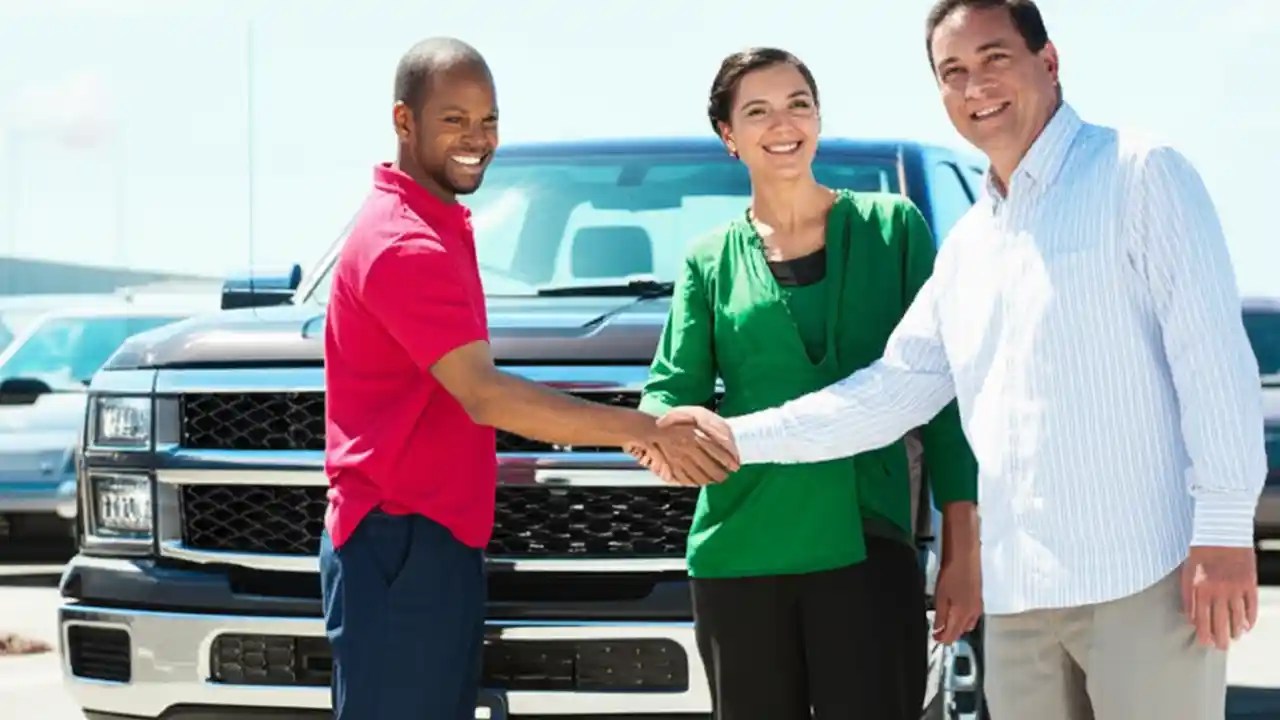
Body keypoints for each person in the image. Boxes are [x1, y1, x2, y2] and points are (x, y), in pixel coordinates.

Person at [645, 2, 1268, 719]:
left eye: (995, 59)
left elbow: (1213, 360)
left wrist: (1223, 531)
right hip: (1021, 605)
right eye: (954, 72)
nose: (976, 86)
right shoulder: (972, 243)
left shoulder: (1140, 173)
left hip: (1145, 578)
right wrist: (734, 436)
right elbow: (890, 393)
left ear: (1050, 62)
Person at [319, 37, 736, 720]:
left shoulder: (433, 222)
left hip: (422, 539)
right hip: (401, 542)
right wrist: (646, 429)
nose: (477, 139)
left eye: (488, 120)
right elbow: (484, 395)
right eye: (453, 119)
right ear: (404, 121)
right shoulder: (406, 243)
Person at [630, 47, 982, 720]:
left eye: (798, 104)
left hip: (869, 543)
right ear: (729, 137)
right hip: (741, 549)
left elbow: (945, 401)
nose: (783, 123)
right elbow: (672, 388)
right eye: (757, 111)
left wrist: (962, 549)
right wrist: (662, 428)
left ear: (818, 117)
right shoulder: (708, 260)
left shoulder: (894, 229)